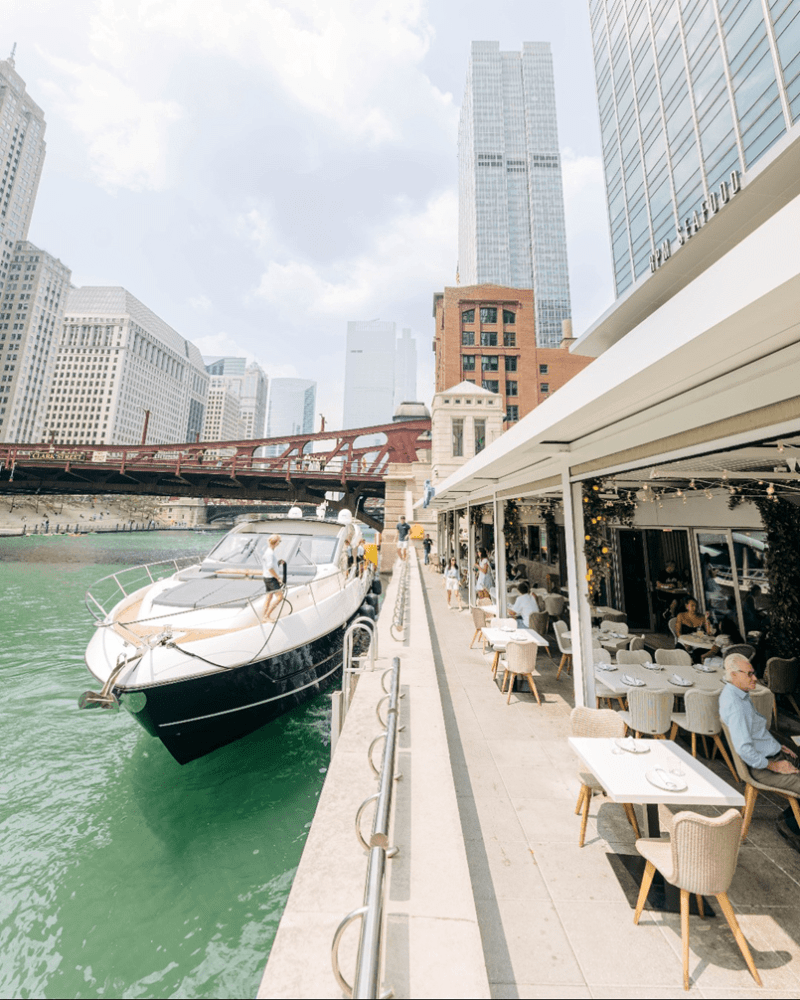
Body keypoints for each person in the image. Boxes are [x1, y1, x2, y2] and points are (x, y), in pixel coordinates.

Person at [720, 652, 800, 846]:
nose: (755, 678)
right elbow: (745, 750)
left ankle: (791, 818)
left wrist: (778, 746)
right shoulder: (737, 706)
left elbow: (755, 732)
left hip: (771, 755)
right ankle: (792, 826)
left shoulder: (738, 694)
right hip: (763, 767)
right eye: (749, 674)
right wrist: (775, 766)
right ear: (733, 675)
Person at [261, 534, 283, 620]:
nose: (279, 543)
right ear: (276, 542)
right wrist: (278, 578)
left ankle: (264, 616)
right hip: (271, 578)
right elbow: (270, 568)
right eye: (279, 541)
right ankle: (267, 616)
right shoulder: (270, 553)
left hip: (267, 577)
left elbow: (270, 565)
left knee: (269, 597)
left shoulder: (269, 551)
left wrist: (278, 563)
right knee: (280, 597)